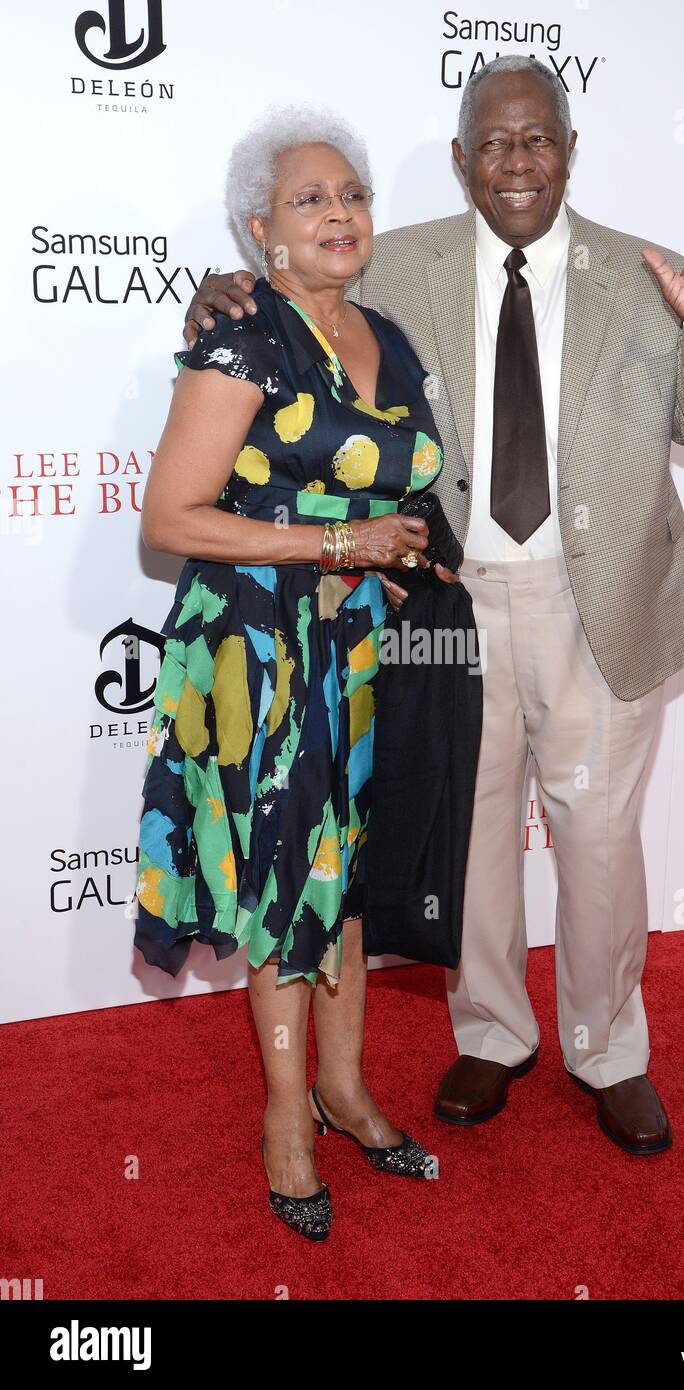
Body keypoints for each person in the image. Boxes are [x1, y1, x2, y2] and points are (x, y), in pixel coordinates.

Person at [184, 56, 684, 1157]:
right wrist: (214, 293)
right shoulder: (394, 263)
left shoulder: (646, 273)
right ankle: (493, 1033)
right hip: (447, 601)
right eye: (492, 142)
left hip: (597, 597)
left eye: (535, 138)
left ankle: (606, 1048)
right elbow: (287, 322)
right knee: (472, 833)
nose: (515, 161)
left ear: (569, 151)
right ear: (459, 160)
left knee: (596, 839)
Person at [135, 106, 449, 1242]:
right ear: (259, 229)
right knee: (283, 888)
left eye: (351, 195)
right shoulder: (242, 338)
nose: (338, 213)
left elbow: (383, 486)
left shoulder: (389, 334)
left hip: (355, 647)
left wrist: (394, 551)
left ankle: (347, 1087)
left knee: (344, 880)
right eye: (309, 199)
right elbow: (170, 516)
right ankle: (285, 1117)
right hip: (254, 652)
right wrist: (335, 546)